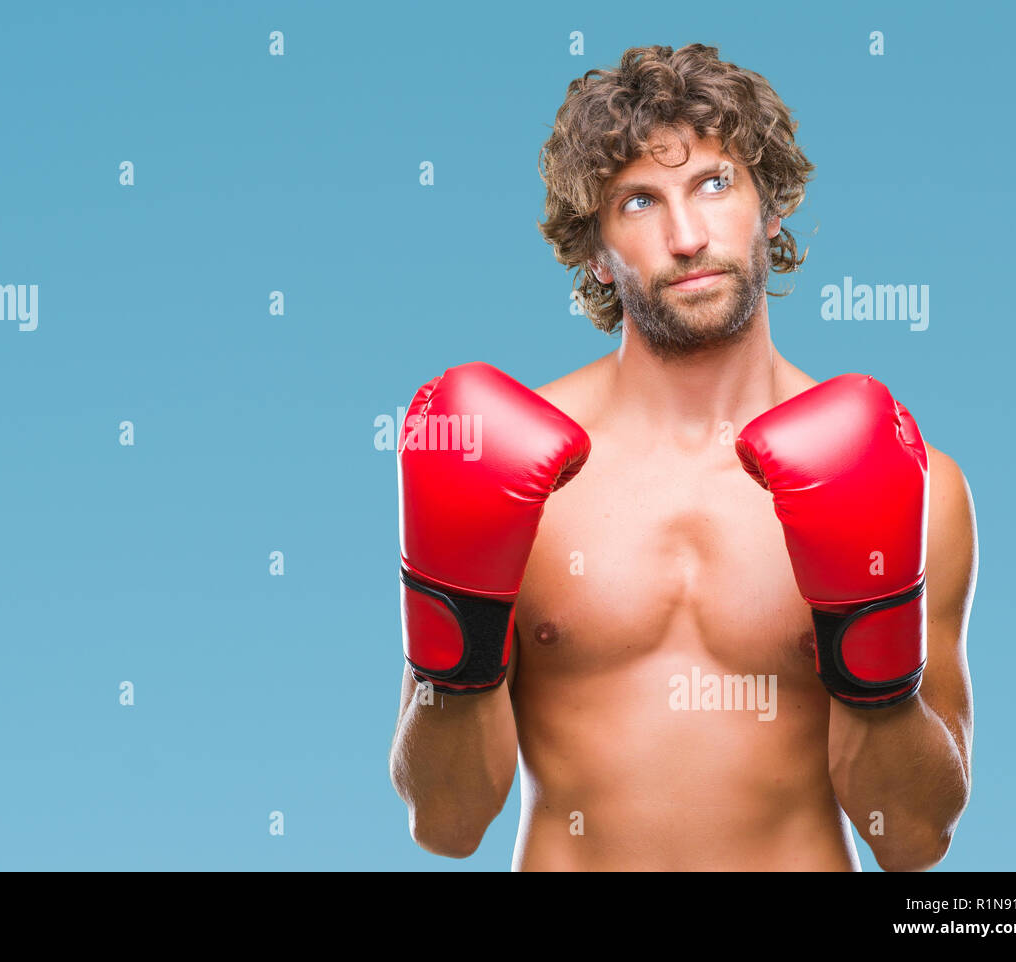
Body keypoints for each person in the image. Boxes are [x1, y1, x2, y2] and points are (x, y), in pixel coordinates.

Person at [389, 44, 976, 871]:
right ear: (595, 251)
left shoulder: (913, 485)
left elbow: (913, 839)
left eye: (714, 183)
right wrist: (456, 648)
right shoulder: (493, 457)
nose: (687, 236)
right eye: (637, 202)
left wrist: (873, 658)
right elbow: (446, 825)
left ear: (769, 206)